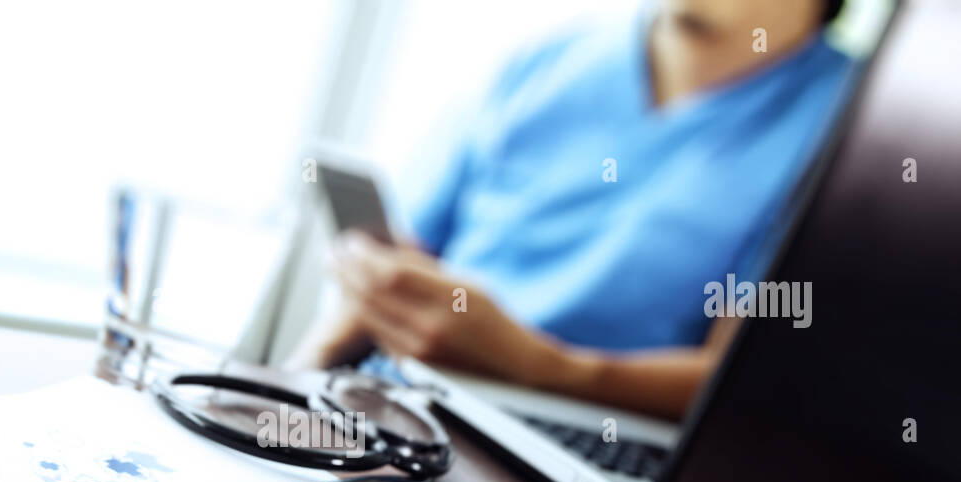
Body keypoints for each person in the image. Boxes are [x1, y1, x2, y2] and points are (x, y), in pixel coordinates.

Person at [296, 0, 853, 419]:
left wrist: (539, 368)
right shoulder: (548, 58)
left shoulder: (853, 134)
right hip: (386, 409)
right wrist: (297, 380)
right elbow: (401, 264)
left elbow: (744, 386)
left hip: (576, 452)